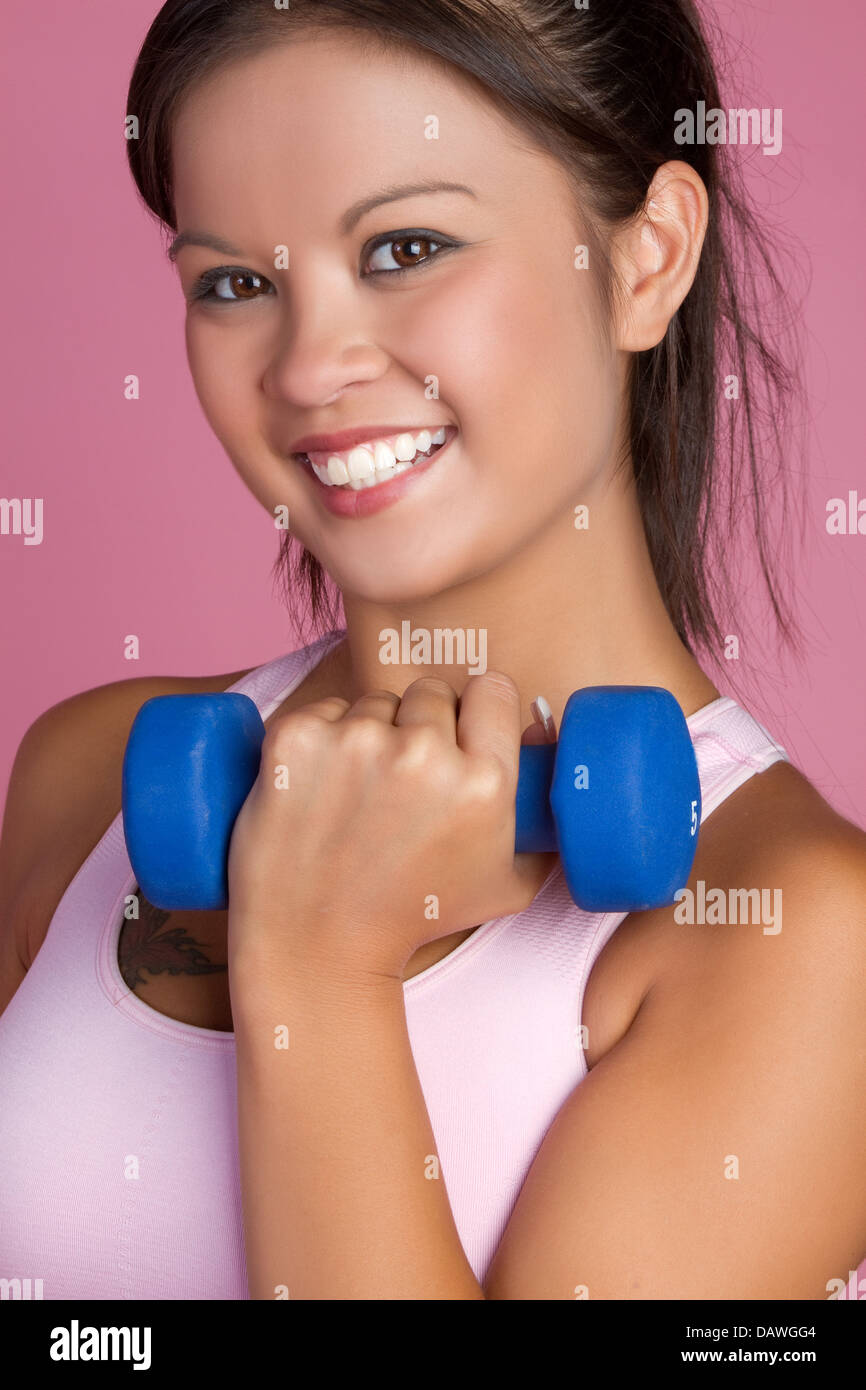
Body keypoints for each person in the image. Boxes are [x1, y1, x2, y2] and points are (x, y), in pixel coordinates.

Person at [1, 0, 864, 1301]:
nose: (308, 365)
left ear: (645, 258)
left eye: (404, 246)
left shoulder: (807, 941)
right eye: (236, 283)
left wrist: (320, 966)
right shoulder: (83, 775)